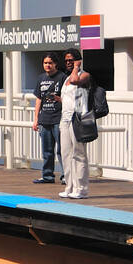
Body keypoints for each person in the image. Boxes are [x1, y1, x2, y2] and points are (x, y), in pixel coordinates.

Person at [58, 49, 92, 199]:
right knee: (66, 154)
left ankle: (81, 189)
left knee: (79, 154)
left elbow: (75, 81)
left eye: (71, 60)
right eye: (66, 61)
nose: (68, 63)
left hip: (78, 118)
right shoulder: (65, 79)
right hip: (65, 119)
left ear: (78, 60)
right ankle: (69, 186)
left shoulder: (84, 75)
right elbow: (68, 97)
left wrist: (77, 68)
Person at [31, 53, 65, 183]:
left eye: (50, 63)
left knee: (62, 151)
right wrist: (36, 119)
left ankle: (65, 176)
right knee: (47, 150)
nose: (48, 65)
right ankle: (47, 176)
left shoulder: (62, 77)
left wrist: (58, 99)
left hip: (58, 118)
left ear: (55, 63)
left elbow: (67, 98)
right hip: (44, 118)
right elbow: (38, 99)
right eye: (45, 63)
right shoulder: (41, 78)